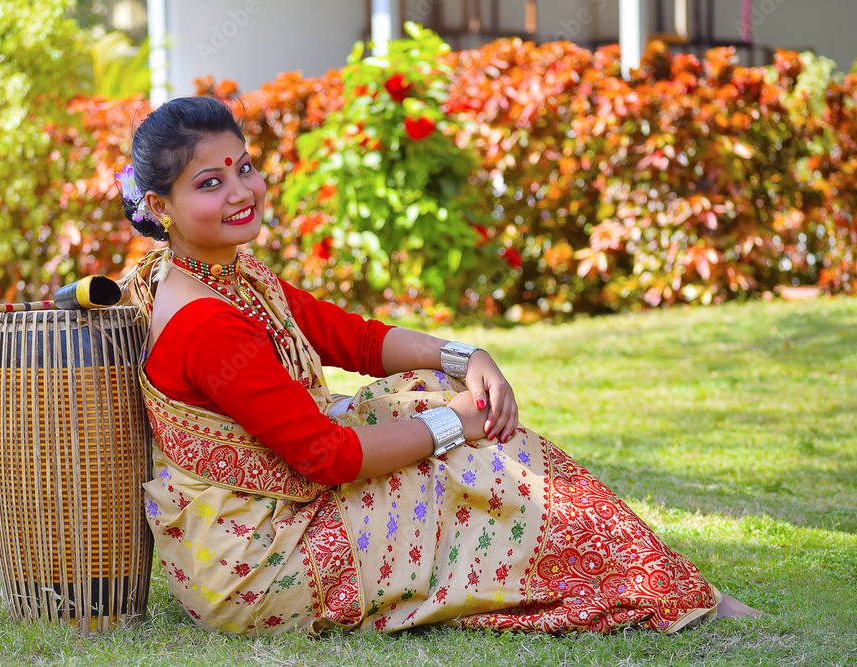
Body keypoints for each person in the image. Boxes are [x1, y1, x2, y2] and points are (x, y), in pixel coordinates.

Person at [118, 95, 759, 636]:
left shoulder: (218, 273)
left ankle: (641, 578)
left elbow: (355, 340)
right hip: (258, 559)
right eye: (211, 183)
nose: (242, 192)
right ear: (159, 205)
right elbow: (326, 459)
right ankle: (647, 588)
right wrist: (456, 423)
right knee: (466, 464)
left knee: (431, 388)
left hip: (265, 506)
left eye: (246, 168)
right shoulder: (206, 323)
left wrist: (468, 357)